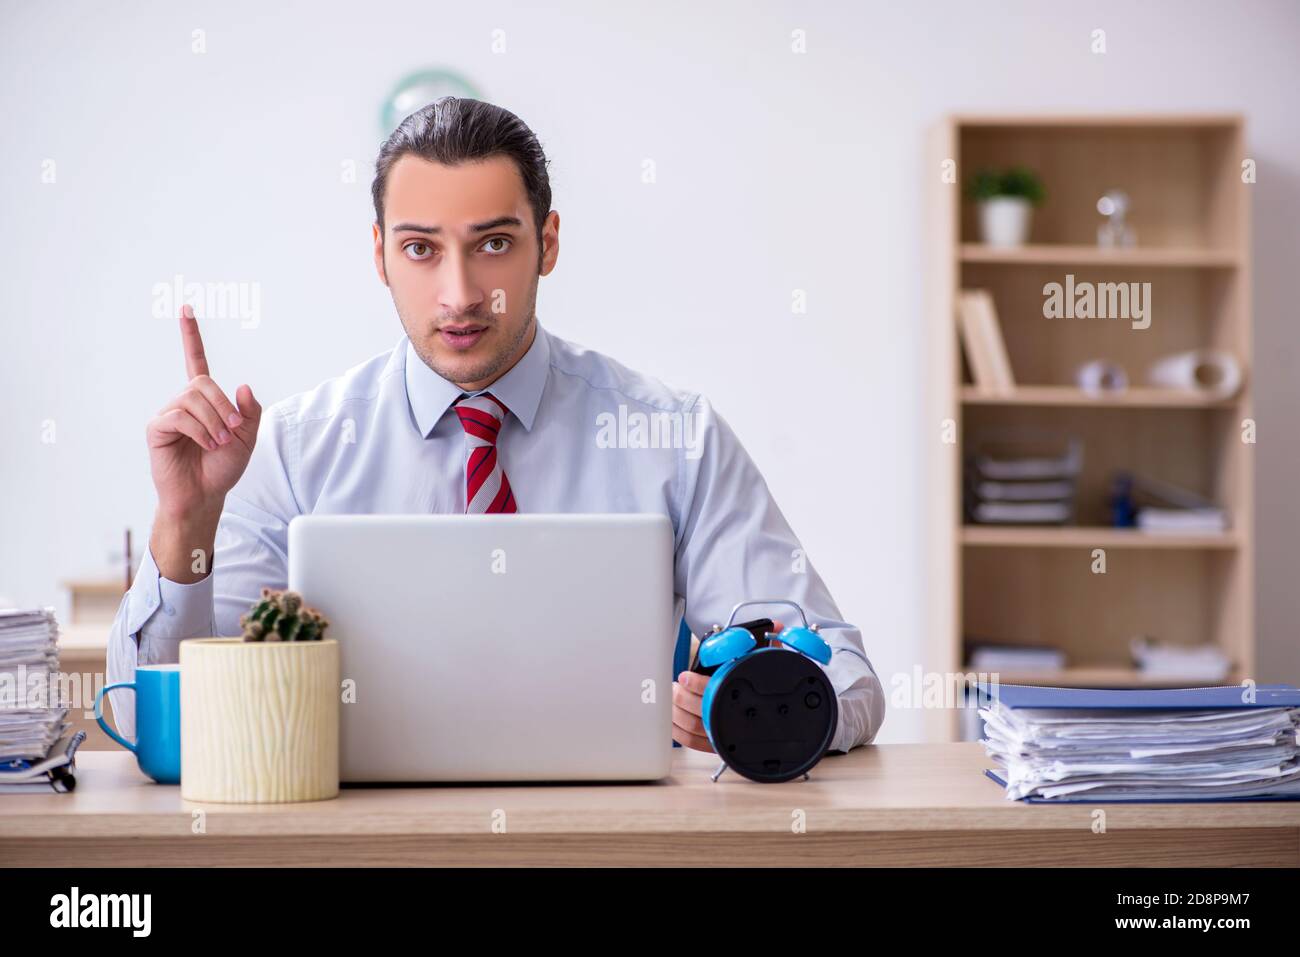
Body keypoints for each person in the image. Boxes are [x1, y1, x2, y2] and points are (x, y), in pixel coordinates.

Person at [105, 97, 885, 754]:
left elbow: (845, 677)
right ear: (380, 256)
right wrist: (186, 520)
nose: (459, 294)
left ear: (546, 244)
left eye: (494, 244)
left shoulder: (673, 437)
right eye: (420, 249)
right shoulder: (291, 448)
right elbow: (150, 727)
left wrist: (756, 716)